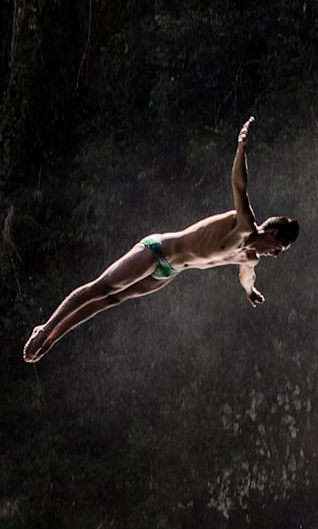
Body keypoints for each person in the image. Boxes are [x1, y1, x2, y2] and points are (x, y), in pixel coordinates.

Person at [23, 116, 298, 363]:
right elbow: (240, 186)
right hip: (157, 252)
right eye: (280, 248)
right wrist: (241, 147)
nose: (276, 254)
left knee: (110, 301)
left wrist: (250, 292)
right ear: (272, 233)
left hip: (170, 271)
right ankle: (45, 329)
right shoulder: (244, 225)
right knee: (102, 288)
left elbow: (246, 277)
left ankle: (52, 339)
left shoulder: (249, 257)